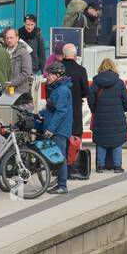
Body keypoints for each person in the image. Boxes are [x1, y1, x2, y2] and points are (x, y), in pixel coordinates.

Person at [87, 58, 127, 172]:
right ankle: (117, 166)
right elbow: (126, 98)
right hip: (117, 116)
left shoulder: (95, 83)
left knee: (101, 141)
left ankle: (100, 166)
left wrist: (94, 110)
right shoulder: (119, 82)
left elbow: (90, 99)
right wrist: (124, 108)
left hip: (100, 116)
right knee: (117, 141)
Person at [38, 63, 73, 194]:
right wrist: (39, 114)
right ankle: (59, 183)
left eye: (50, 75)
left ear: (58, 75)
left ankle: (62, 185)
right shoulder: (58, 88)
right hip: (57, 128)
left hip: (59, 130)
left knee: (60, 157)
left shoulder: (62, 90)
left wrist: (51, 129)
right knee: (57, 156)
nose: (48, 77)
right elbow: (52, 109)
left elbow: (61, 112)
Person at [60, 44, 90, 180]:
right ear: (75, 54)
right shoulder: (80, 70)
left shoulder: (57, 69)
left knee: (60, 138)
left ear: (63, 54)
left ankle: (60, 168)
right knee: (75, 139)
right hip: (75, 109)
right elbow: (86, 91)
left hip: (59, 110)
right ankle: (73, 167)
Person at [5, 27, 35, 99]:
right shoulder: (3, 52)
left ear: (17, 38)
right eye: (7, 38)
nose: (9, 40)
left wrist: (12, 83)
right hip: (6, 91)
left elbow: (26, 73)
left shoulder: (24, 53)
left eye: (11, 38)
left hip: (20, 92)